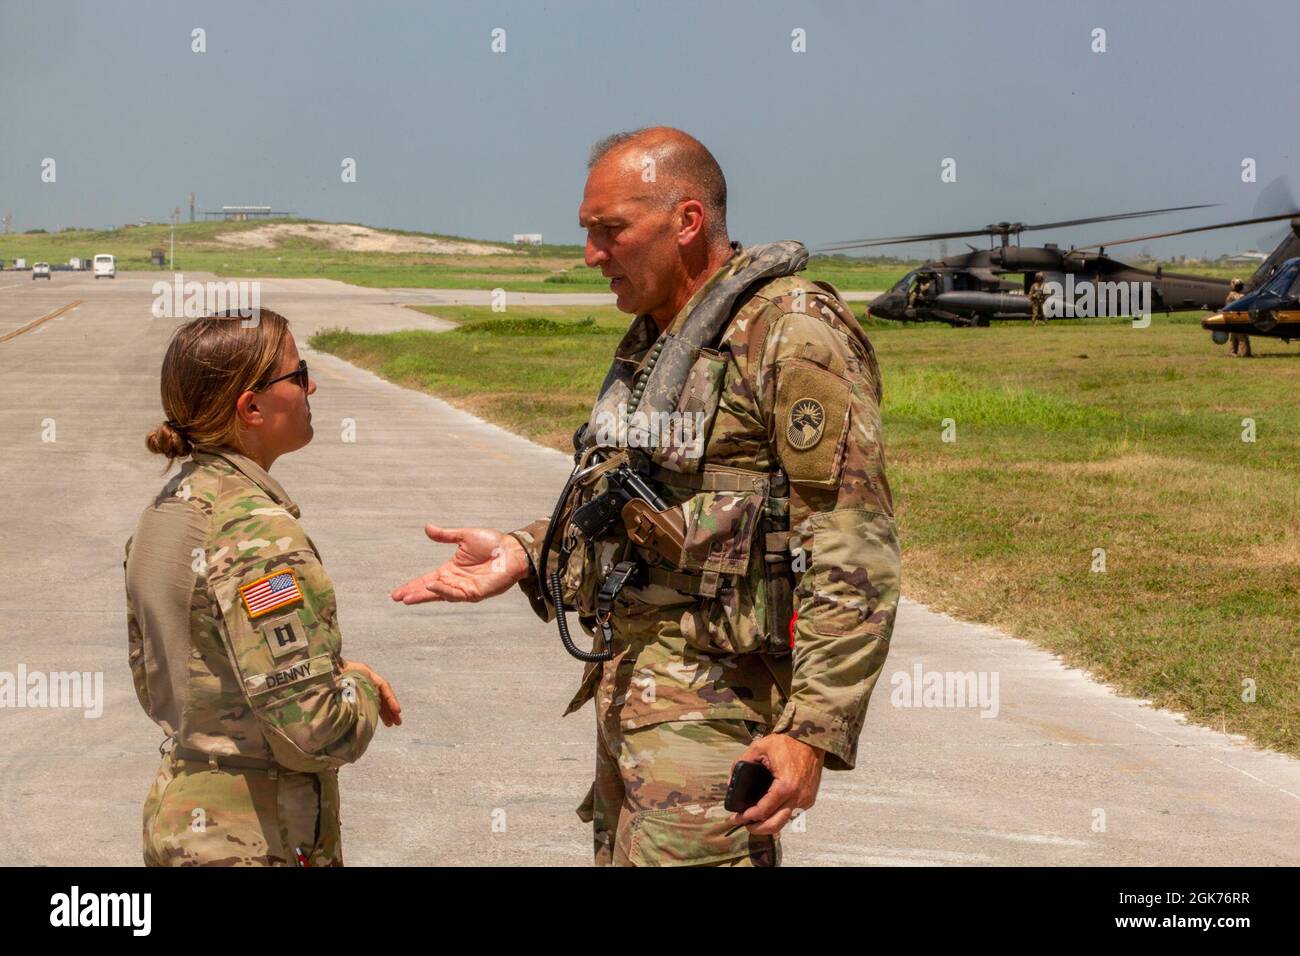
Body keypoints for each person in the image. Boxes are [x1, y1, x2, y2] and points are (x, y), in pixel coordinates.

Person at [393, 127, 900, 866]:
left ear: (687, 221)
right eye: (588, 233)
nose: (592, 255)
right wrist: (524, 550)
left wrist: (811, 728)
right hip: (634, 699)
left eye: (612, 231)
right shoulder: (663, 339)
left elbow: (854, 544)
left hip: (719, 721)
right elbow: (641, 504)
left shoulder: (790, 331)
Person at [125, 309, 402, 866]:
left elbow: (169, 674)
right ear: (250, 407)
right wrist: (362, 689)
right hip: (253, 836)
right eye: (298, 376)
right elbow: (313, 732)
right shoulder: (257, 532)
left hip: (183, 813)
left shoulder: (167, 509)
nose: (311, 387)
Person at [1226, 278, 1251, 357]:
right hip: (1237, 318)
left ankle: (1232, 352)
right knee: (1242, 337)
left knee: (1234, 337)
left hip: (1233, 318)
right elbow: (1240, 300)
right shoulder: (1233, 295)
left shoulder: (1232, 294)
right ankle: (1245, 353)